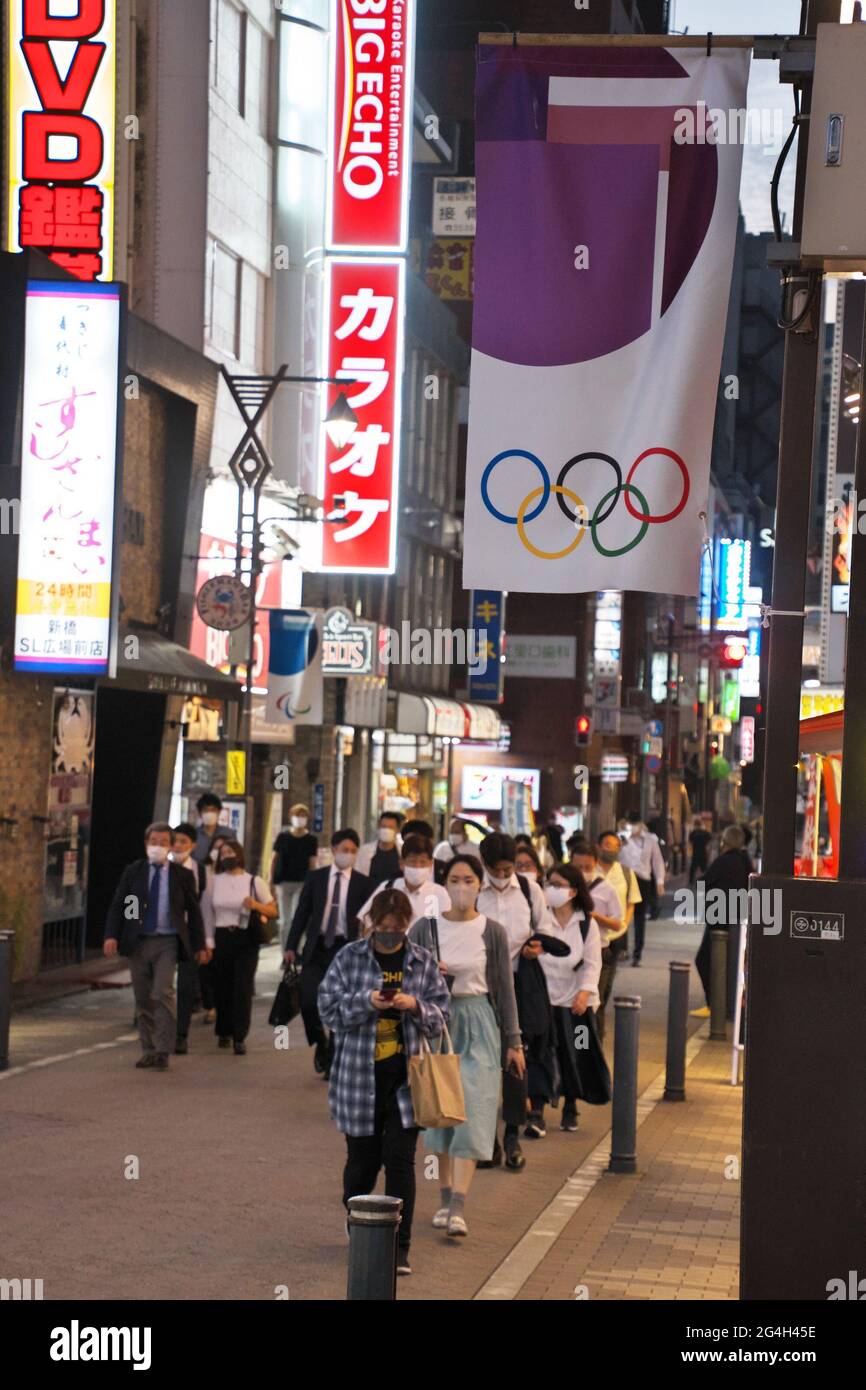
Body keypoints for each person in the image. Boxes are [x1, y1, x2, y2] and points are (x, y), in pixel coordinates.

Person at [318, 888, 450, 1277]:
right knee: (361, 1163)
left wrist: (416, 1006)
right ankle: (358, 1221)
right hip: (358, 1077)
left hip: (406, 1078)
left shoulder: (422, 961)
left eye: (398, 928)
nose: (391, 935)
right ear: (371, 924)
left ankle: (399, 1246)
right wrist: (367, 1001)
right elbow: (328, 1009)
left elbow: (442, 1016)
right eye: (385, 928)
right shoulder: (349, 958)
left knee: (400, 1160)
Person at [409, 855, 524, 1237]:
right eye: (455, 879)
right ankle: (444, 1198)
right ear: (445, 883)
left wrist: (514, 1041)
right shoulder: (425, 928)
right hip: (437, 1024)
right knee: (442, 1112)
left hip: (479, 1022)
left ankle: (458, 1205)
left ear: (480, 884)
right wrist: (428, 974)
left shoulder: (492, 931)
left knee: (473, 1110)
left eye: (469, 879)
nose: (462, 887)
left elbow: (504, 989)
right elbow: (403, 973)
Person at [476, 833, 559, 1172]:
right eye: (497, 870)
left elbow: (546, 929)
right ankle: (487, 1142)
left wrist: (536, 946)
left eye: (509, 868)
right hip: (480, 985)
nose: (504, 875)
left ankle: (511, 1137)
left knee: (515, 1062)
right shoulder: (473, 889)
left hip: (520, 983)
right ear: (485, 866)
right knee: (481, 1064)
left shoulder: (529, 889)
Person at [104, 821, 208, 1070]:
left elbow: (193, 912)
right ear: (145, 844)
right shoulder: (134, 872)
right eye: (154, 842)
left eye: (163, 843)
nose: (158, 847)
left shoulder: (181, 876)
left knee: (162, 993)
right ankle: (147, 1049)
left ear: (171, 846)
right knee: (143, 998)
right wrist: (113, 935)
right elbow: (123, 905)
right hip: (139, 942)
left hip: (167, 941)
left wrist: (200, 944)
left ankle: (163, 1049)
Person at [284, 829, 371, 1078]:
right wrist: (291, 946)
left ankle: (332, 1054)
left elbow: (367, 920)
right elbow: (301, 913)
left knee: (339, 1002)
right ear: (333, 850)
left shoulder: (363, 883)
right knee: (309, 1000)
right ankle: (319, 1041)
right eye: (344, 850)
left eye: (353, 851)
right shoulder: (316, 878)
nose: (348, 855)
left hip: (345, 949)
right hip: (317, 947)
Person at [538, 863, 603, 1132]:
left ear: (574, 891)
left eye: (558, 885)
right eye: (549, 883)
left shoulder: (587, 924)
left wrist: (584, 993)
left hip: (576, 1005)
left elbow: (592, 963)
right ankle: (537, 1107)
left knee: (576, 1052)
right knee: (542, 1054)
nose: (551, 889)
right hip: (543, 1001)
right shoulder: (540, 918)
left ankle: (571, 1104)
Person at [201, 839, 276, 1054]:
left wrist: (256, 905)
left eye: (230, 852)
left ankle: (239, 1036)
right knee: (222, 986)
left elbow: (272, 910)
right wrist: (208, 941)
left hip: (246, 938)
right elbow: (207, 913)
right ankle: (223, 1030)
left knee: (242, 988)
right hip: (221, 936)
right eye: (223, 853)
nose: (227, 856)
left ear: (239, 855)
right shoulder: (213, 881)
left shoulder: (254, 881)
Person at [693, 825, 752, 1018]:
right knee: (731, 963)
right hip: (739, 921)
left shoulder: (723, 861)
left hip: (719, 919)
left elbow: (703, 882)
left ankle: (714, 1004)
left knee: (704, 960)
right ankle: (727, 1004)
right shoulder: (745, 862)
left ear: (724, 842)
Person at [571, 840, 624, 1043]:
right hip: (570, 955)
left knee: (593, 1004)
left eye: (587, 867)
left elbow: (617, 923)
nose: (583, 871)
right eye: (578, 867)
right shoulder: (562, 887)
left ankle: (592, 1049)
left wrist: (593, 917)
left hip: (599, 954)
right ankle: (577, 1048)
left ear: (595, 864)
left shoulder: (606, 889)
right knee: (573, 1004)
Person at [171, 822, 213, 1051]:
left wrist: (206, 941)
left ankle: (181, 1034)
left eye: (183, 842)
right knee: (161, 983)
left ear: (193, 845)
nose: (178, 846)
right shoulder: (157, 867)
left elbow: (205, 908)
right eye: (175, 841)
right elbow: (136, 902)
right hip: (165, 933)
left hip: (190, 934)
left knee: (186, 985)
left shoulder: (200, 872)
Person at [358, 833, 451, 925]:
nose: (417, 866)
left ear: (431, 864)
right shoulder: (388, 887)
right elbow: (366, 921)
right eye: (412, 861)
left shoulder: (440, 893)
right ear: (402, 863)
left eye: (423, 862)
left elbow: (447, 928)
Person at [619, 810, 666, 965]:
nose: (633, 827)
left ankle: (637, 953)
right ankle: (622, 949)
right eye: (631, 824)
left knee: (640, 917)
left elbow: (657, 861)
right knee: (621, 915)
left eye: (636, 824)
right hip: (624, 879)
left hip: (642, 880)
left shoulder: (650, 839)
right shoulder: (620, 837)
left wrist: (660, 881)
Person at [271, 804, 318, 950]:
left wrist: (313, 883)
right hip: (283, 881)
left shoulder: (311, 839)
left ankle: (296, 950)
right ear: (291, 817)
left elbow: (312, 863)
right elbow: (274, 858)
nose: (300, 819)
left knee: (297, 917)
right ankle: (285, 952)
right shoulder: (283, 837)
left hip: (302, 882)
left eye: (303, 816)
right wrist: (270, 879)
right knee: (285, 920)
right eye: (297, 815)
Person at [356, 810, 404, 885]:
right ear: (379, 827)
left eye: (390, 827)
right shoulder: (364, 851)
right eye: (384, 826)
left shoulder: (402, 852)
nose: (386, 830)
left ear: (397, 830)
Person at [192, 793, 223, 864]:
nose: (210, 813)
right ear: (200, 813)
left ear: (219, 812)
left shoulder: (228, 833)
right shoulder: (193, 834)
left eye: (213, 810)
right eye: (206, 810)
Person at [688, 816, 712, 884]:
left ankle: (691, 882)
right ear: (700, 824)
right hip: (703, 852)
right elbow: (709, 843)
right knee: (704, 869)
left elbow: (690, 843)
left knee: (693, 868)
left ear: (695, 825)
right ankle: (703, 882)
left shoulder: (693, 833)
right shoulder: (705, 833)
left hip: (695, 852)